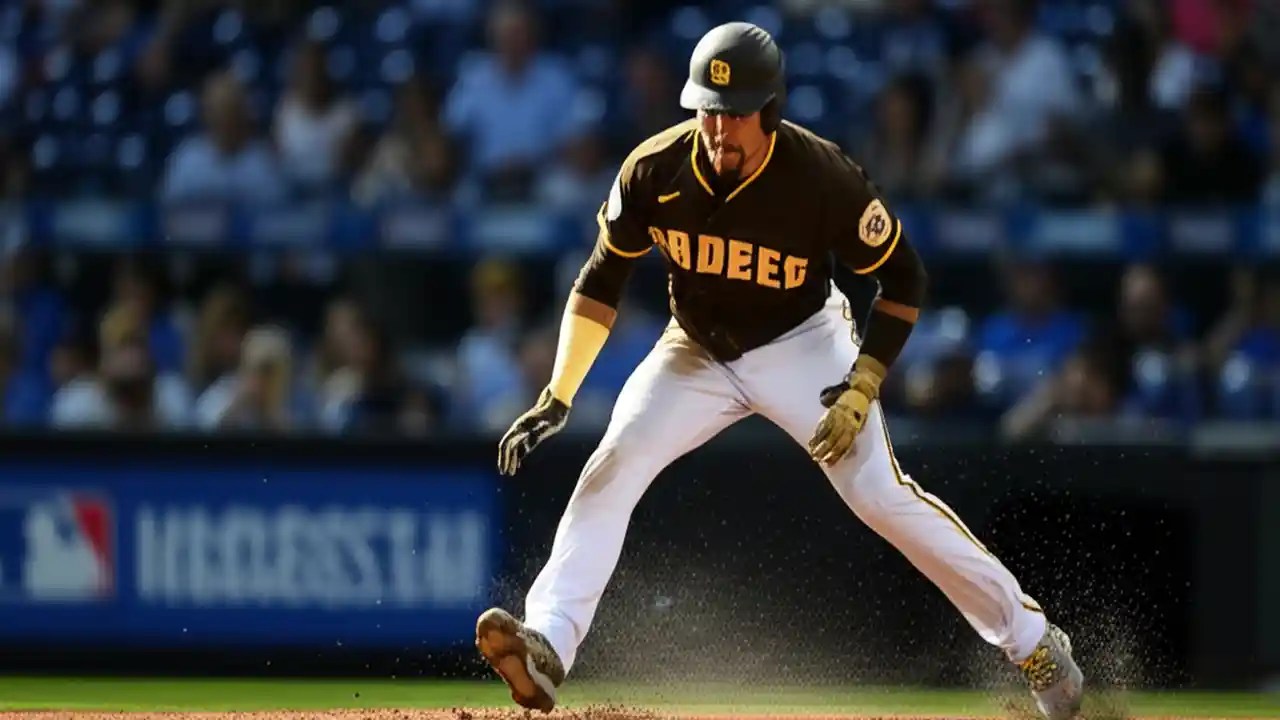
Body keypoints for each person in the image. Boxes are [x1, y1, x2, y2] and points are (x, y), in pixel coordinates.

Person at [474, 22, 1084, 720]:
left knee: (879, 497)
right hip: (695, 348)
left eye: (735, 113)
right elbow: (601, 279)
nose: (718, 128)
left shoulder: (820, 175)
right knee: (615, 462)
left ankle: (1032, 641)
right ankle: (549, 643)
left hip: (802, 343)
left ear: (770, 109)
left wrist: (863, 382)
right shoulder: (655, 167)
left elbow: (904, 279)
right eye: (708, 110)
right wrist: (559, 392)